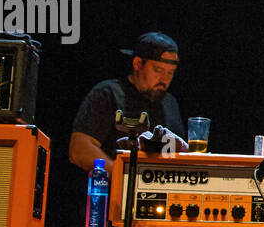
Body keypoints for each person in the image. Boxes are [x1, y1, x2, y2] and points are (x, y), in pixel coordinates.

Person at [69, 32, 187, 171]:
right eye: (158, 70)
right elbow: (79, 149)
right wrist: (120, 175)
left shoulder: (170, 103)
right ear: (137, 64)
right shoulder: (108, 93)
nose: (164, 79)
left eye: (170, 72)